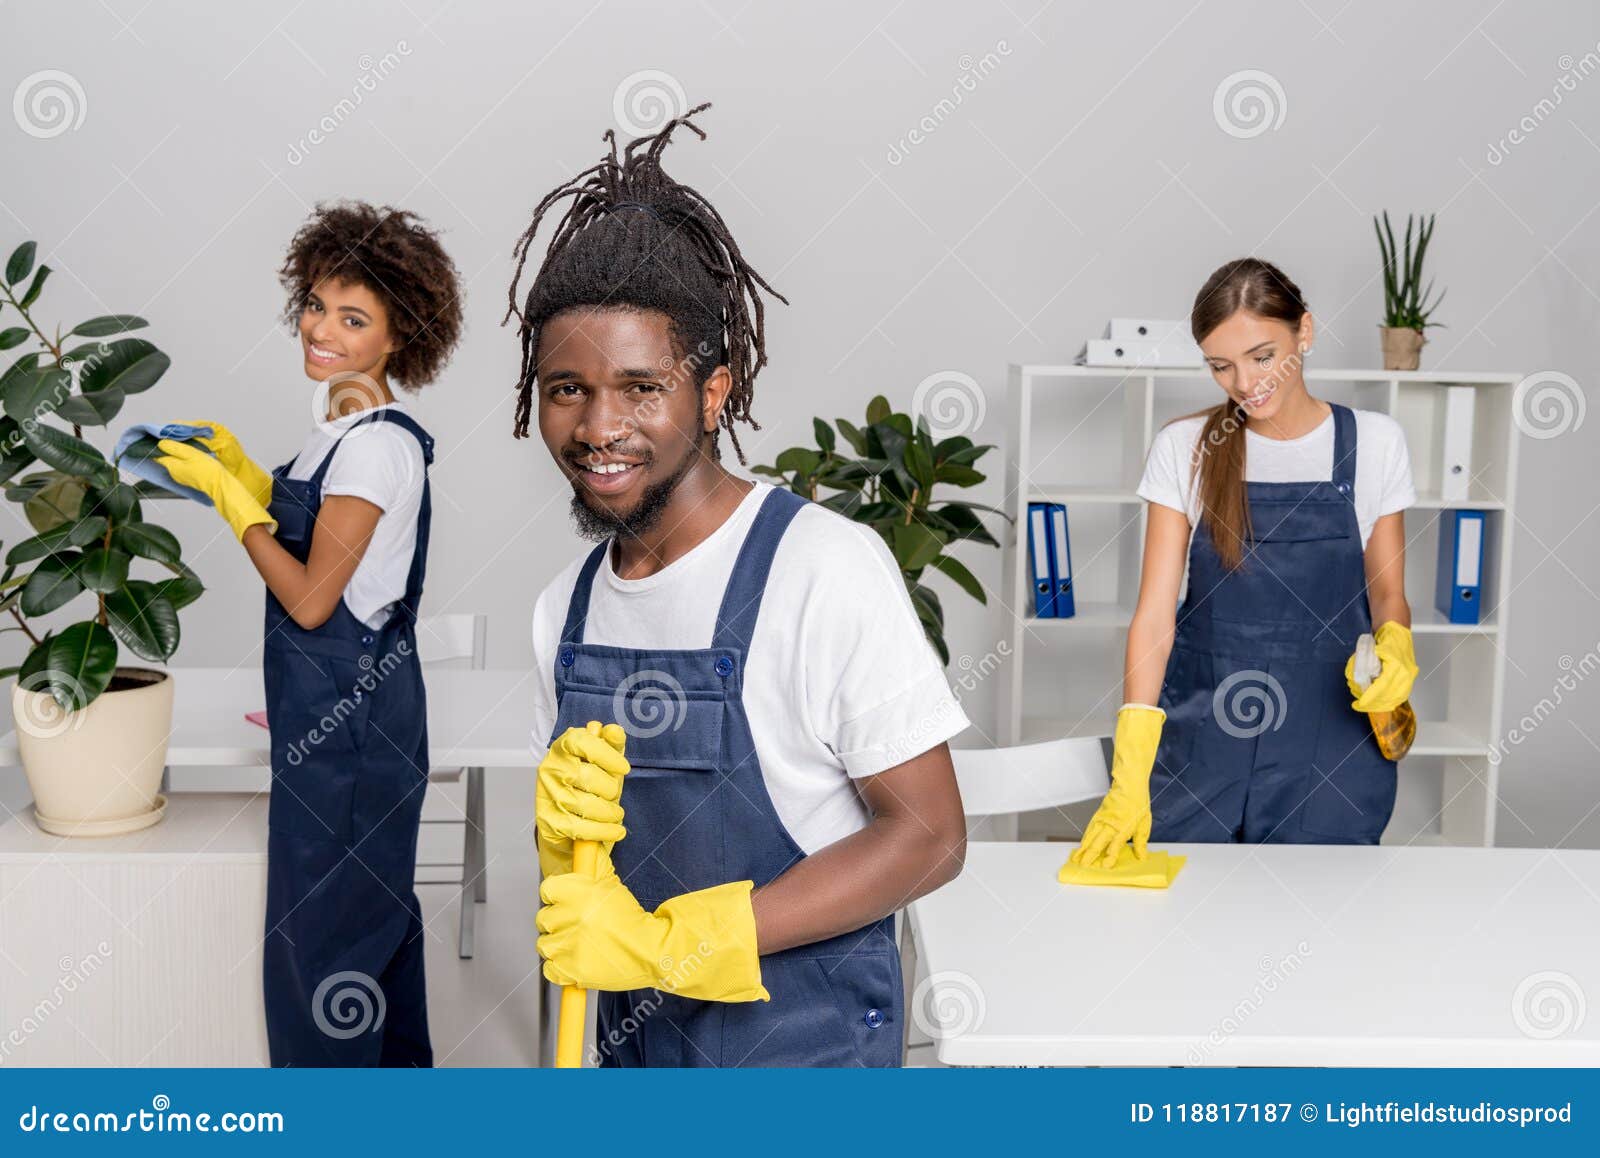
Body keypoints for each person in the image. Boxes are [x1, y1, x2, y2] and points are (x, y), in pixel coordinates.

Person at [512, 105, 969, 1067]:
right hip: (636, 1055)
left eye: (642, 387)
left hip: (800, 1059)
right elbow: (593, 890)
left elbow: (928, 838)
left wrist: (681, 945)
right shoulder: (567, 611)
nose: (600, 426)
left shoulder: (822, 568)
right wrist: (563, 858)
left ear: (712, 393)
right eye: (567, 389)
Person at [155, 200, 464, 1065]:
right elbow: (323, 536)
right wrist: (253, 473)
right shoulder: (342, 427)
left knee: (323, 943)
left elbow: (313, 602)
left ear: (400, 336)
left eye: (353, 318)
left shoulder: (375, 447)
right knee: (373, 919)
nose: (322, 330)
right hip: (344, 721)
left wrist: (232, 504)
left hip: (352, 732)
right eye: (317, 304)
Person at [1071, 257, 1418, 864]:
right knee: (1186, 928)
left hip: (1330, 749)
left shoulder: (1375, 443)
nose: (1244, 381)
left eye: (1263, 356)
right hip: (1205, 742)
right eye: (1220, 365)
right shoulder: (1185, 448)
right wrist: (1132, 761)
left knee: (1320, 924)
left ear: (1304, 332)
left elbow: (1388, 593)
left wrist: (1395, 644)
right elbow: (1154, 615)